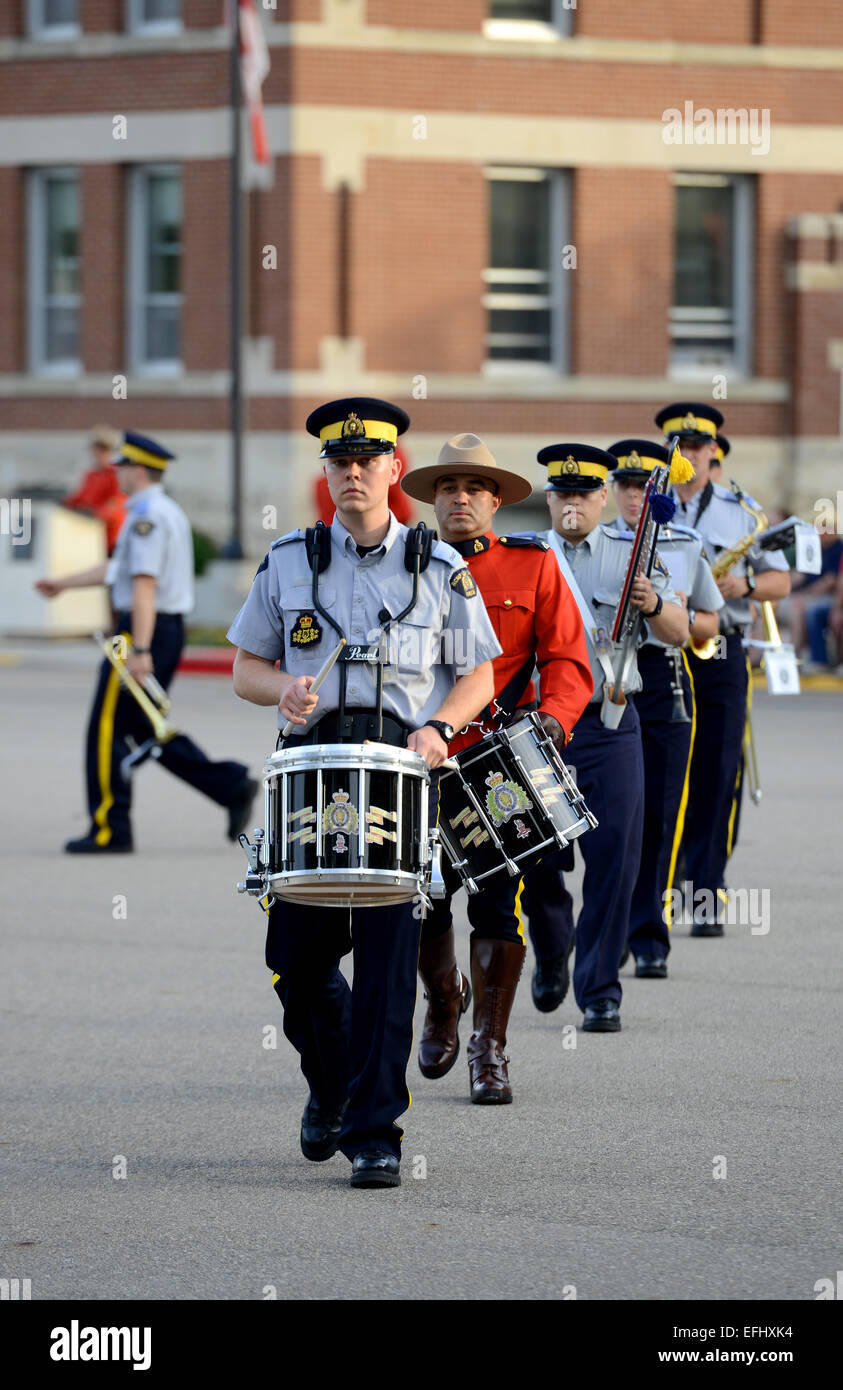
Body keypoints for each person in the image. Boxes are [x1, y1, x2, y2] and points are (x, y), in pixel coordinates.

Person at [226, 399, 500, 1189]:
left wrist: (439, 729)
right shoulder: (287, 559)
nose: (351, 473)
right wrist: (281, 690)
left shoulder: (440, 566)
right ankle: (332, 1083)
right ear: (327, 474)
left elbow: (476, 676)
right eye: (337, 462)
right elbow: (246, 668)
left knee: (386, 966)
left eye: (365, 461)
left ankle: (376, 1132)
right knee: (294, 961)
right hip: (313, 766)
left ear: (393, 470)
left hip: (397, 773)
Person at [399, 433, 592, 1102]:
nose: (459, 498)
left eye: (473, 488)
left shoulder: (532, 567)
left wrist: (555, 717)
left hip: (498, 762)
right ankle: (442, 1005)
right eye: (447, 487)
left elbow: (568, 660)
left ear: (495, 500)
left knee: (496, 904)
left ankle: (490, 1047)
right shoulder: (404, 563)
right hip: (419, 756)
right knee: (423, 898)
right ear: (432, 499)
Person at [522, 444, 687, 1031]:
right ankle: (550, 943)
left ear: (602, 498)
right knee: (535, 855)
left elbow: (680, 632)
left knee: (616, 852)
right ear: (549, 500)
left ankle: (599, 989)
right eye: (561, 494)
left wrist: (655, 601)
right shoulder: (525, 556)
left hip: (610, 719)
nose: (572, 504)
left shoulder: (632, 553)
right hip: (536, 726)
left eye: (583, 494)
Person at [35, 431, 258, 853]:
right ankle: (230, 786)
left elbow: (143, 585)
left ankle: (109, 828)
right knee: (143, 729)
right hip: (158, 630)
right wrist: (62, 584)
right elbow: (118, 569)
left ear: (137, 470)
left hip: (144, 632)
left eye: (120, 466)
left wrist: (138, 649)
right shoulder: (157, 511)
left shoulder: (147, 517)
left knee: (105, 730)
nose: (115, 472)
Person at [655, 403, 790, 934]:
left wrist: (744, 586)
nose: (688, 454)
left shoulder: (742, 511)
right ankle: (660, 893)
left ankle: (707, 893)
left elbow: (779, 581)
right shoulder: (649, 504)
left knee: (718, 773)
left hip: (723, 652)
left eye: (697, 446)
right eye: (679, 446)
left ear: (713, 451)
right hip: (665, 650)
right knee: (666, 776)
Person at [607, 440, 723, 978]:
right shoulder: (594, 541)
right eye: (626, 485)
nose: (635, 495)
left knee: (658, 816)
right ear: (611, 489)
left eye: (643, 485)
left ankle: (649, 932)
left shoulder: (685, 542)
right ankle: (598, 929)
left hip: (659, 678)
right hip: (602, 675)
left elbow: (708, 624)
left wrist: (663, 609)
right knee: (612, 821)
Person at [63, 424, 127, 554]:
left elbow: (116, 505)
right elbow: (80, 498)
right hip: (90, 538)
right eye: (96, 450)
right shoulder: (92, 475)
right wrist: (64, 505)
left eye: (103, 450)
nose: (97, 454)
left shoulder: (117, 475)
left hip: (111, 540)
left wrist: (94, 514)